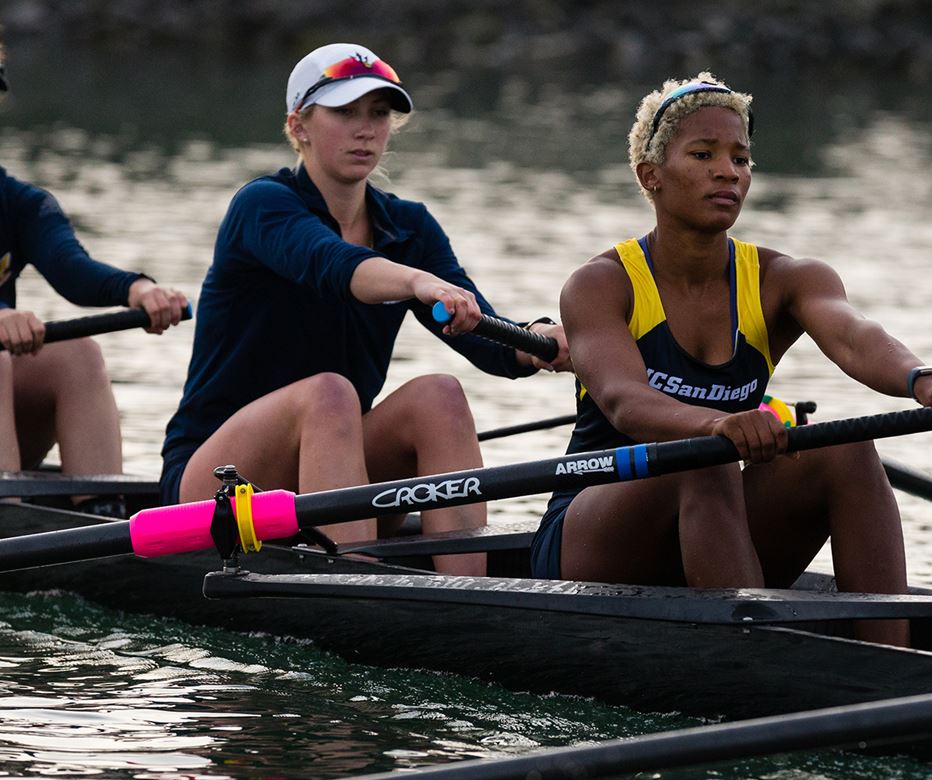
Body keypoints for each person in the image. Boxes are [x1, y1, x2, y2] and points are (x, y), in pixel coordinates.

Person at [533, 72, 932, 646]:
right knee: (705, 456)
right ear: (650, 176)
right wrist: (717, 424)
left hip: (709, 520)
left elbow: (854, 336)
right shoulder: (602, 284)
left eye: (741, 158)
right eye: (703, 154)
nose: (728, 171)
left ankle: (886, 663)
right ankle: (762, 660)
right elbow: (627, 402)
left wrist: (926, 381)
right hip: (595, 536)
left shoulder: (786, 278)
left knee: (845, 447)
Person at [159, 43, 570, 575]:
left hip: (331, 465)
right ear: (299, 126)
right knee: (332, 392)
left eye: (379, 113)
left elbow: (482, 334)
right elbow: (334, 265)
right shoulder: (262, 206)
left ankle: (467, 589)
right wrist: (419, 281)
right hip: (218, 481)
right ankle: (355, 581)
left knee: (438, 395)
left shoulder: (409, 226)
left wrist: (536, 341)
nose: (366, 129)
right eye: (345, 112)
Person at [0, 37, 189, 516]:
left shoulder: (18, 203)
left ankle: (103, 520)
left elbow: (73, 269)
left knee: (78, 355)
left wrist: (139, 289)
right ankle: (11, 515)